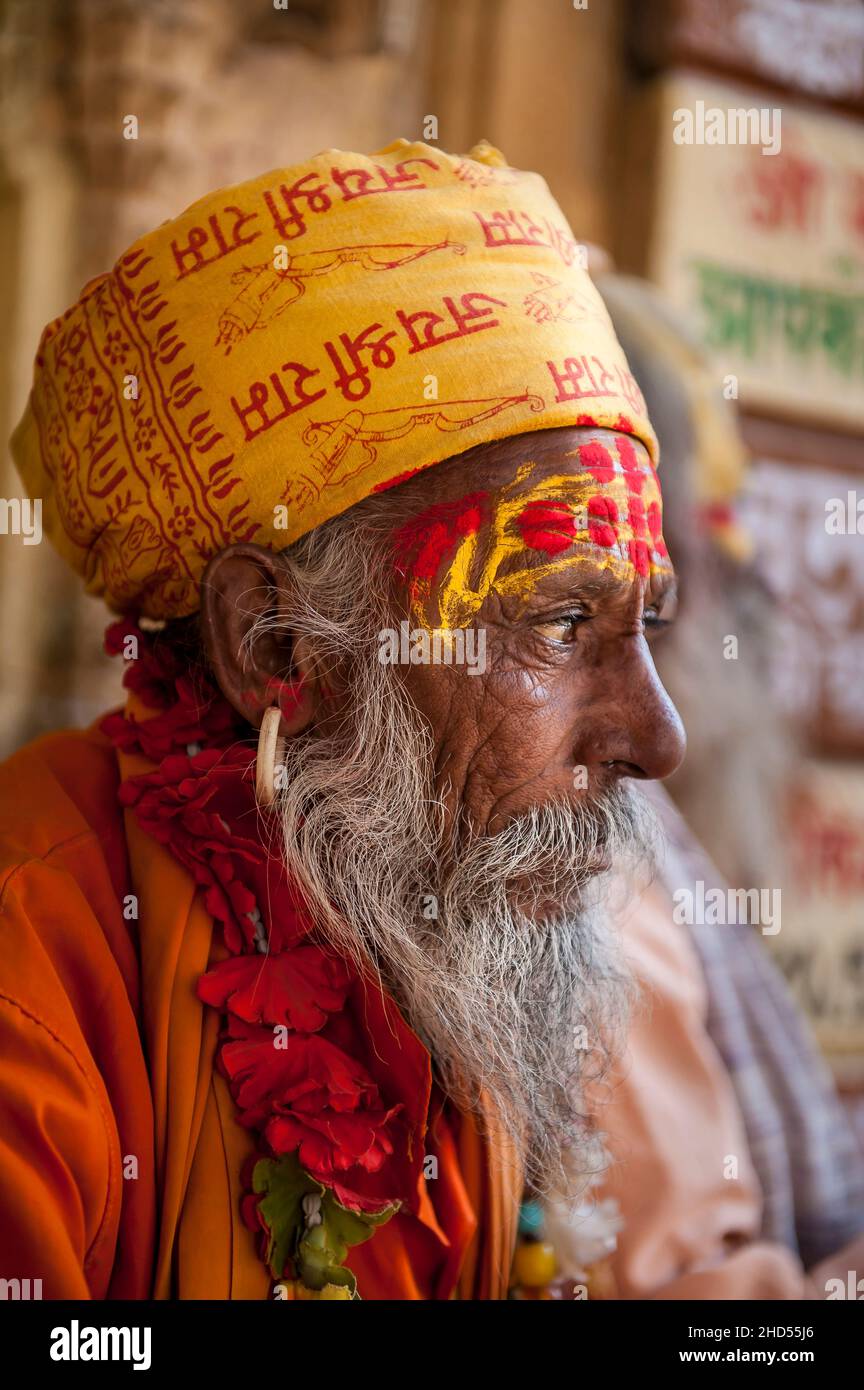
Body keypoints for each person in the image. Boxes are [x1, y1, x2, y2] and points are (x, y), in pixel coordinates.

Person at [1, 138, 685, 1300]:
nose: (657, 738)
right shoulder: (36, 968)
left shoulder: (435, 931)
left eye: (648, 623)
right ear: (276, 646)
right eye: (561, 622)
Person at [540, 274, 864, 1300]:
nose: (666, 733)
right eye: (576, 618)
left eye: (664, 609)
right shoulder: (565, 859)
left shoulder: (640, 835)